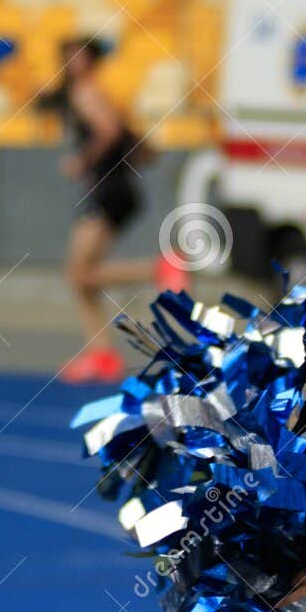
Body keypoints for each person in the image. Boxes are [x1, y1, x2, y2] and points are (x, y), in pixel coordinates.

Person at [54, 37, 180, 384]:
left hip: (107, 190)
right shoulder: (98, 93)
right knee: (82, 278)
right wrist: (143, 150)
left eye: (78, 57)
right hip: (116, 190)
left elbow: (108, 132)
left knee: (78, 274)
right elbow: (123, 131)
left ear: (90, 61)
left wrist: (83, 160)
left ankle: (159, 268)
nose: (73, 64)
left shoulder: (85, 93)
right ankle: (102, 354)